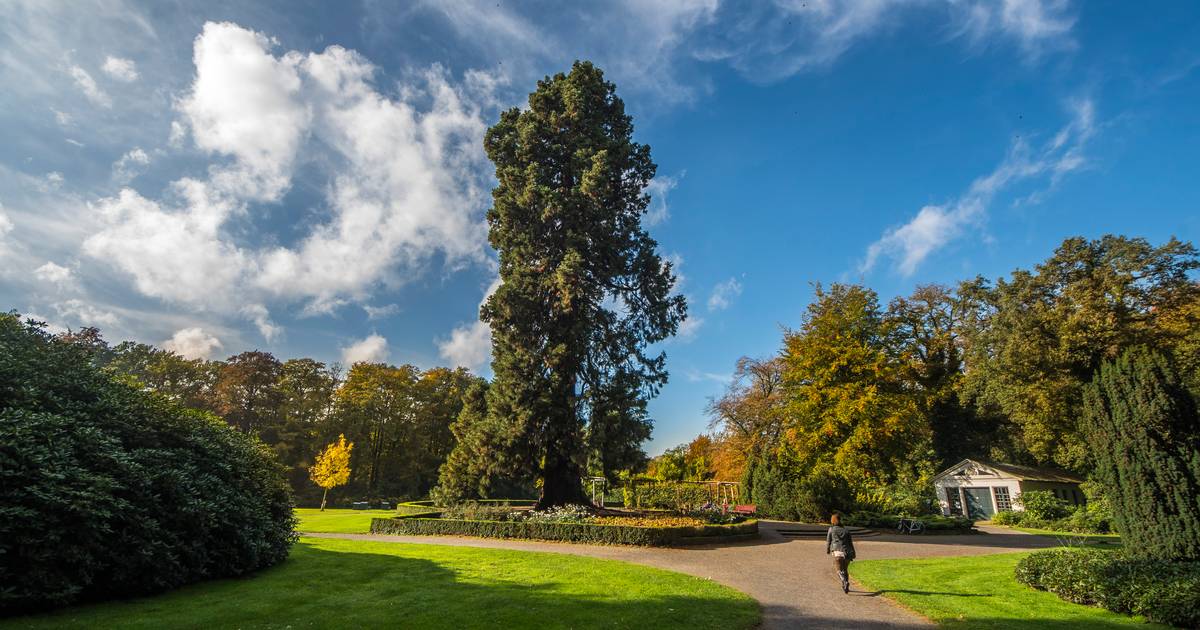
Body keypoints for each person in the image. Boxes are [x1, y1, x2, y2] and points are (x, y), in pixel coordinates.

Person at [825, 513, 856, 594]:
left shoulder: (831, 529)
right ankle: (846, 587)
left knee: (838, 570)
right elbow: (850, 543)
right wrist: (853, 552)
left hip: (837, 551)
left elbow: (828, 541)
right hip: (847, 552)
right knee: (845, 570)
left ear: (832, 520)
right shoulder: (846, 530)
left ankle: (844, 581)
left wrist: (828, 550)